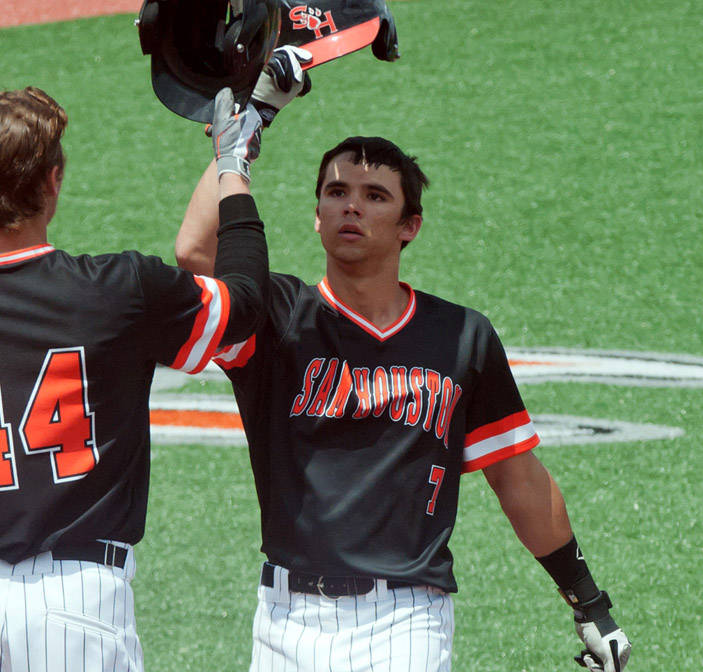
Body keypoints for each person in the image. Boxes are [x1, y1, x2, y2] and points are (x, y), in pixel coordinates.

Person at [173, 50, 632, 672]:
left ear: (409, 225)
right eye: (335, 193)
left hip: (407, 620)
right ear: (315, 217)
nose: (351, 207)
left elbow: (517, 477)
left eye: (374, 196)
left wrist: (588, 602)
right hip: (287, 620)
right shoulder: (278, 314)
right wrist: (253, 121)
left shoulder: (460, 336)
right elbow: (197, 254)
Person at [0, 85, 268, 672]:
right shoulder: (119, 292)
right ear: (53, 181)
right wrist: (232, 167)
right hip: (81, 605)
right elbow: (246, 305)